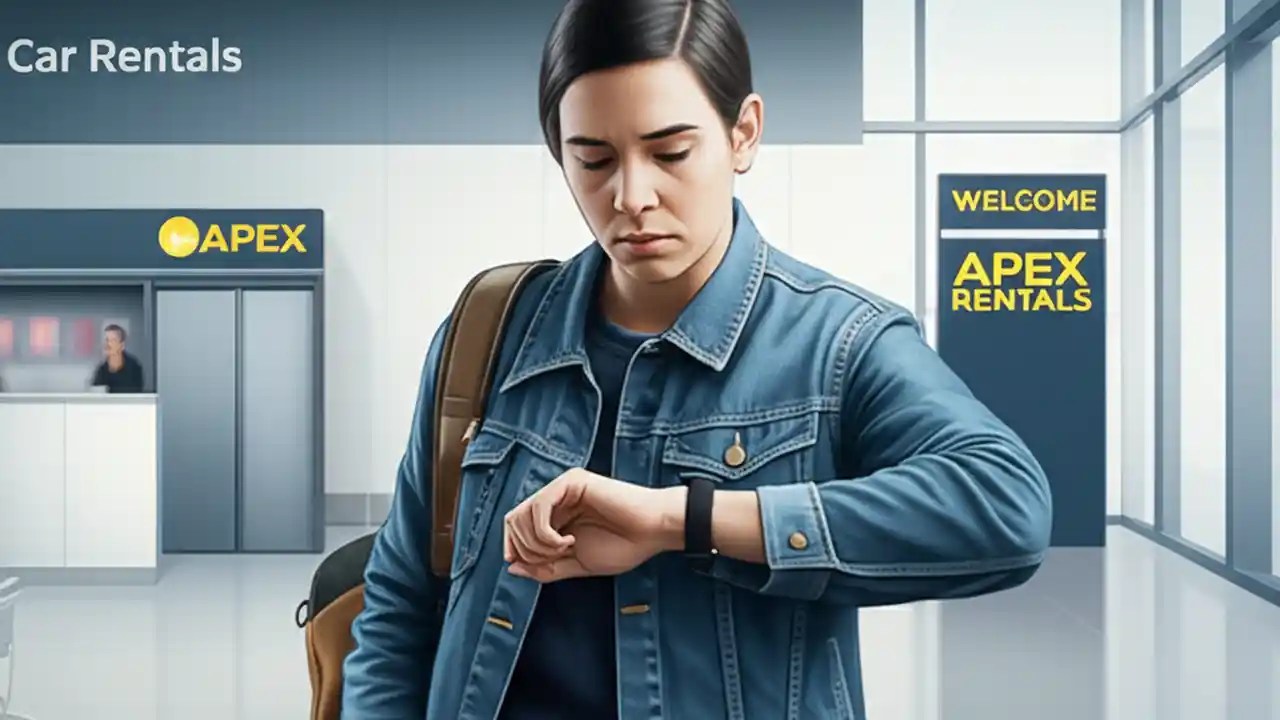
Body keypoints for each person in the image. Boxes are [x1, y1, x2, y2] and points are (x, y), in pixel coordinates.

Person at [343, 0, 1053, 718]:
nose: (631, 196)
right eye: (592, 159)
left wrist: (683, 520)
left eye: (670, 153)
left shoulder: (838, 342)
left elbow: (1006, 507)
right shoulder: (491, 332)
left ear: (743, 133)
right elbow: (399, 606)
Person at [90, 324, 144, 393]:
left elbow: (136, 397)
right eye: (106, 340)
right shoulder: (101, 370)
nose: (107, 344)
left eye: (113, 340)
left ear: (122, 345)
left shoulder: (134, 367)